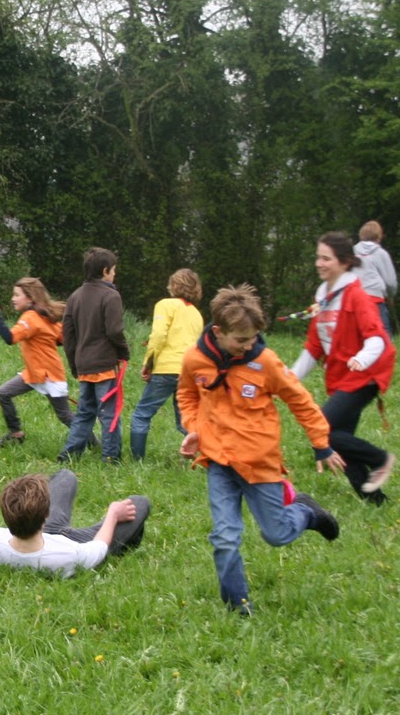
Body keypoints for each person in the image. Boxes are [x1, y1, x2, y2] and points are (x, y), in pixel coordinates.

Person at [178, 283, 345, 614]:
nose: (248, 345)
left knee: (277, 534)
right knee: (225, 537)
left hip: (259, 463)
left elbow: (299, 398)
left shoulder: (265, 362)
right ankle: (238, 607)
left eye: (253, 338)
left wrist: (321, 444)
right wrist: (195, 429)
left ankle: (307, 512)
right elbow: (186, 395)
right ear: (218, 332)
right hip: (219, 463)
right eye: (241, 340)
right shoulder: (195, 360)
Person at [292, 231, 399, 505]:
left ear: (343, 263)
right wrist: (288, 378)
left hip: (366, 375)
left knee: (323, 429)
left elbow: (377, 338)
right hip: (342, 378)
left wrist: (362, 359)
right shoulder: (323, 298)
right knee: (340, 440)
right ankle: (374, 501)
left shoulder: (356, 296)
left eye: (326, 258)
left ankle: (381, 459)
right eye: (318, 257)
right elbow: (314, 348)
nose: (319, 263)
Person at [0, 470, 149, 577]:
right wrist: (112, 514)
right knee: (140, 503)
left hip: (47, 533)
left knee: (66, 476)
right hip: (77, 542)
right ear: (46, 513)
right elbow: (100, 545)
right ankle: (126, 548)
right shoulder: (72, 555)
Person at [58, 247, 131, 464]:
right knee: (109, 414)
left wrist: (74, 363)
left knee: (84, 413)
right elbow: (114, 331)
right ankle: (110, 457)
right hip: (104, 365)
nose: (115, 275)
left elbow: (67, 336)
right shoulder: (111, 295)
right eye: (114, 270)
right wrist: (124, 351)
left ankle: (68, 455)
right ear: (105, 270)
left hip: (83, 365)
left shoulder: (74, 297)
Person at [0, 277, 73, 448]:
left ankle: (92, 442)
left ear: (30, 298)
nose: (13, 298)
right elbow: (62, 339)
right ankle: (15, 433)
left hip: (49, 375)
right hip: (33, 373)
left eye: (17, 295)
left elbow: (10, 338)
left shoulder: (31, 317)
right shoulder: (44, 316)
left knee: (65, 415)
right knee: (3, 393)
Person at [129, 268, 203, 461]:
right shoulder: (196, 314)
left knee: (141, 415)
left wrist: (148, 363)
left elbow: (159, 335)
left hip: (166, 369)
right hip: (189, 371)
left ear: (174, 285)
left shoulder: (165, 304)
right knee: (184, 421)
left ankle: (136, 461)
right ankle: (210, 456)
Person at [353, 221, 399, 335]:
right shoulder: (380, 253)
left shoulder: (351, 251)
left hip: (355, 298)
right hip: (375, 299)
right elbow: (390, 281)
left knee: (358, 334)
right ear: (378, 237)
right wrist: (390, 295)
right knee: (382, 332)